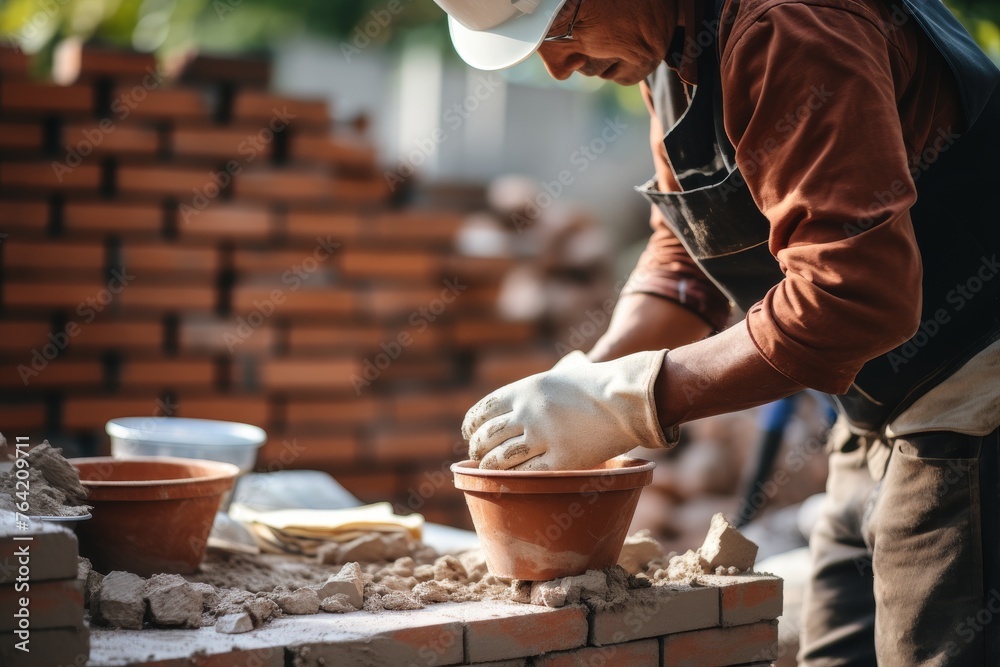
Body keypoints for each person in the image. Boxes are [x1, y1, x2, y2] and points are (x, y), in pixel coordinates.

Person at [431, 0, 1000, 664]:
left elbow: (855, 297)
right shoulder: (670, 49)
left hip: (971, 394)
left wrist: (629, 400)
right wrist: (589, 374)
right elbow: (685, 261)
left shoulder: (791, 26)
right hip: (879, 407)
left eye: (560, 30)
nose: (558, 66)